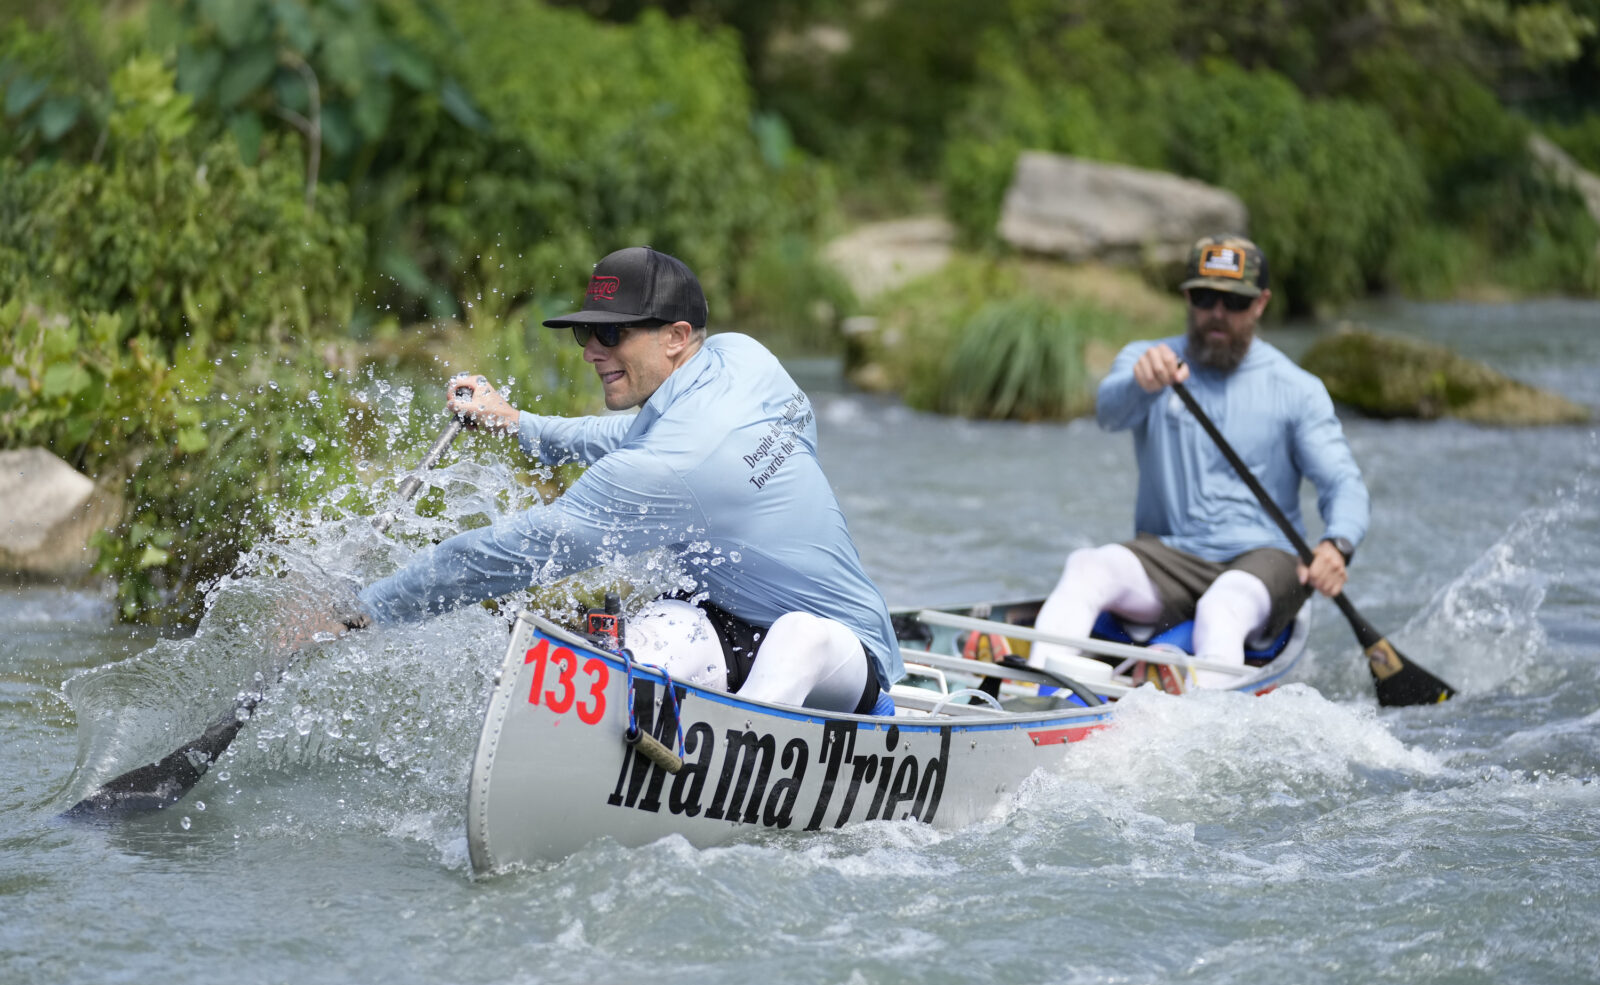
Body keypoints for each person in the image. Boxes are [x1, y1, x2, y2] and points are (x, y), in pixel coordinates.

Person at [356, 246, 904, 714]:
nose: (593, 352)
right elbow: (637, 435)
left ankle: (740, 756)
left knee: (798, 635)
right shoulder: (741, 357)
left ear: (676, 336)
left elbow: (513, 552)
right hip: (730, 625)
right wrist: (518, 422)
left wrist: (364, 611)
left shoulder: (673, 463)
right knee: (636, 648)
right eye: (586, 333)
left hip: (843, 655)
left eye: (610, 333)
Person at [1027, 234, 1369, 689]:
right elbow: (1109, 413)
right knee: (1087, 566)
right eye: (1205, 298)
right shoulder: (1147, 361)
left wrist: (1336, 545)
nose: (1218, 313)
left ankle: (1204, 719)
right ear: (1188, 298)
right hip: (1169, 554)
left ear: (1261, 304)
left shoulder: (1298, 389)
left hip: (1267, 557)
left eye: (1234, 301)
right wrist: (1140, 384)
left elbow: (1343, 482)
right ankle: (1033, 696)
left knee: (1221, 607)